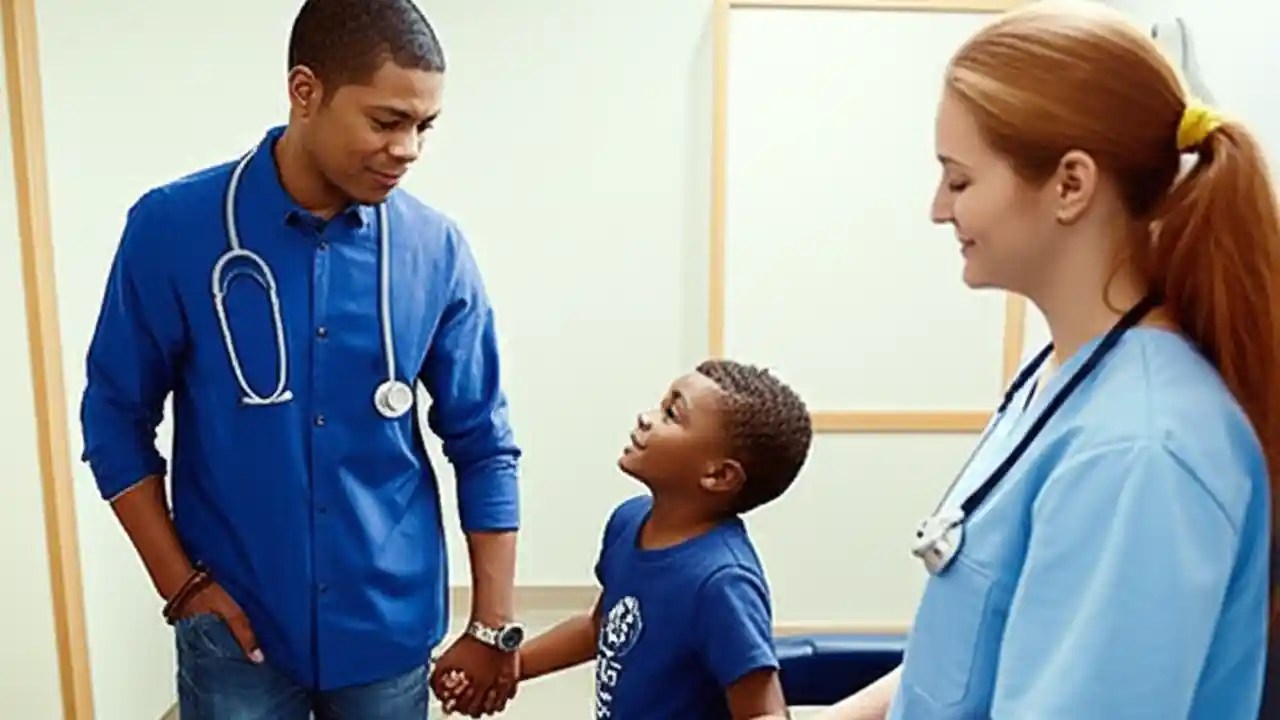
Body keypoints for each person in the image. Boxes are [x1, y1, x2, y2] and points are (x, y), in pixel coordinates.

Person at [819, 2, 1278, 718]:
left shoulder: (1141, 453)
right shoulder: (1063, 378)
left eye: (960, 180)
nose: (938, 209)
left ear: (1070, 184)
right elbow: (965, 656)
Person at [78, 1, 526, 717]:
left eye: (423, 126)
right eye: (385, 121)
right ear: (305, 91)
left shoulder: (435, 252)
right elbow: (112, 419)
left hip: (387, 627)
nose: (408, 149)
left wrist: (490, 624)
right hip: (235, 631)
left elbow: (485, 443)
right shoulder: (173, 228)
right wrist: (182, 587)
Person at [439, 359, 812, 718]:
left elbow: (764, 711)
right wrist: (505, 669)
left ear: (718, 475)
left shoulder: (723, 583)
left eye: (671, 415)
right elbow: (600, 628)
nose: (646, 417)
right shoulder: (629, 521)